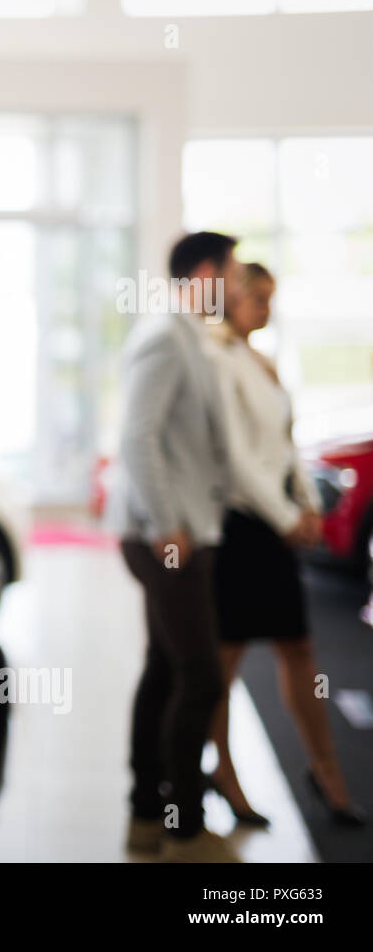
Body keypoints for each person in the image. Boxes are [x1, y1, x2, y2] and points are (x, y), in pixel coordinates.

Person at [203, 261, 366, 828]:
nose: (265, 308)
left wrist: (309, 506)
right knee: (224, 661)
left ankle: (326, 772)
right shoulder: (215, 359)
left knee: (298, 648)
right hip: (239, 526)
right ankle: (224, 772)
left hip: (272, 525)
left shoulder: (263, 363)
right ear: (232, 297)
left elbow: (284, 445)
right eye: (256, 297)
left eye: (271, 299)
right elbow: (233, 457)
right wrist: (282, 516)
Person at [108, 231, 241, 862]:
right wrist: (169, 525)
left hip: (179, 531)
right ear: (208, 272)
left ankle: (146, 816)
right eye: (233, 275)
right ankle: (183, 824)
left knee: (167, 669)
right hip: (165, 537)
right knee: (201, 675)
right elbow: (137, 437)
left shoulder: (188, 336)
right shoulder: (165, 336)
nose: (237, 288)